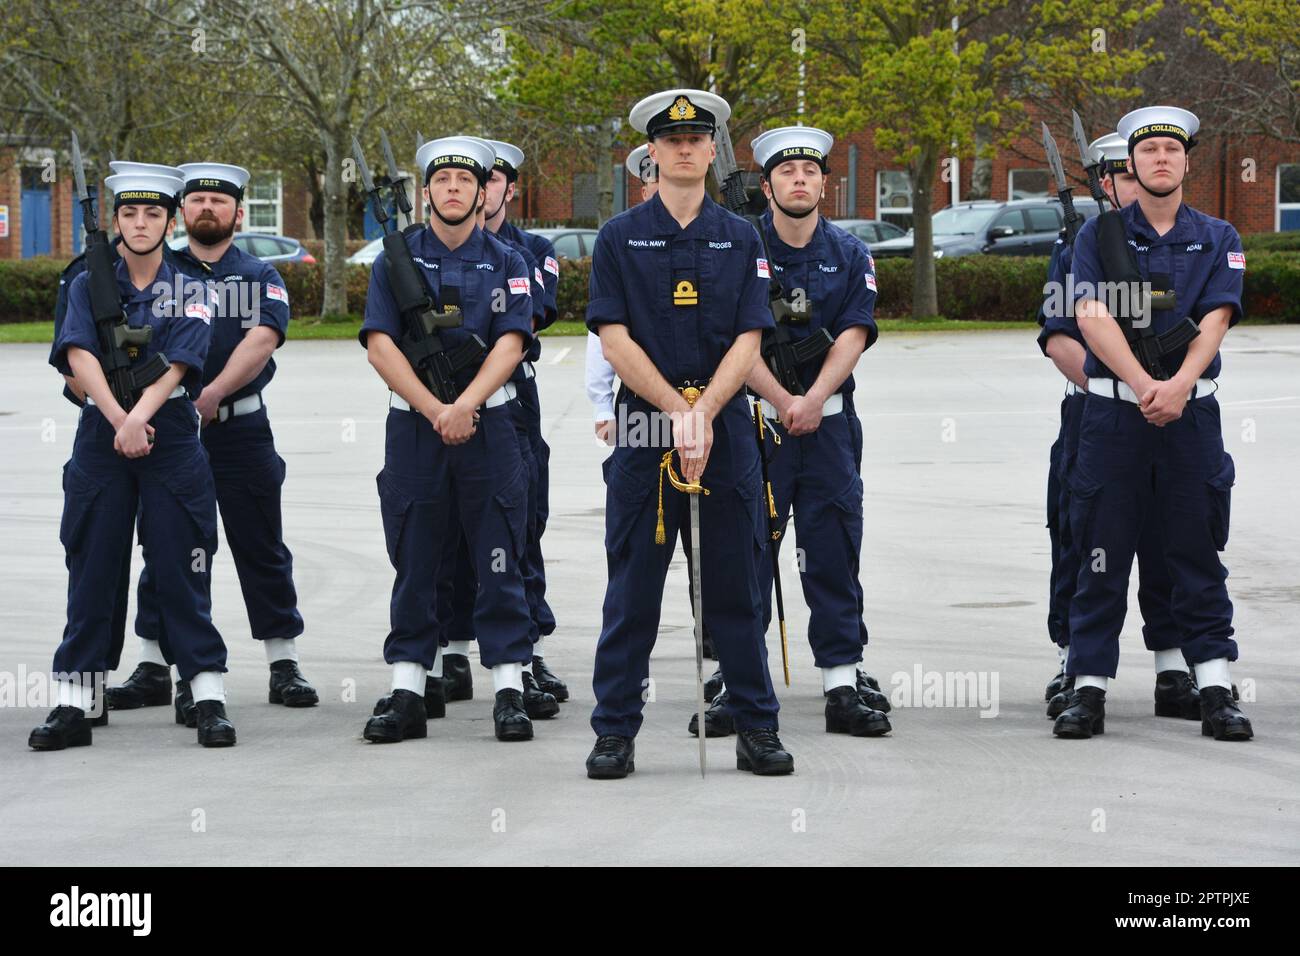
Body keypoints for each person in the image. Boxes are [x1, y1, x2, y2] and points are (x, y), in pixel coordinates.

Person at [584, 89, 793, 779]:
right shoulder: (618, 237)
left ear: (710, 151)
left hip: (726, 425)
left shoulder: (741, 236)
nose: (682, 148)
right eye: (669, 140)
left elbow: (751, 335)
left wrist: (703, 413)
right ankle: (615, 730)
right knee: (633, 590)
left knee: (736, 585)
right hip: (648, 427)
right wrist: (678, 408)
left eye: (695, 139)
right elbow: (614, 339)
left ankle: (757, 726)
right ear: (653, 153)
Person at [1055, 106, 1252, 741]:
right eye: (1149, 152)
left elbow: (1217, 317)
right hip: (1116, 415)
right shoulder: (1098, 237)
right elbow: (1088, 316)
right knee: (1101, 551)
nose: (1160, 159)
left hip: (1190, 416)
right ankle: (1088, 688)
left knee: (1194, 549)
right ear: (1132, 165)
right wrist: (1144, 387)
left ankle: (1216, 686)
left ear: (1186, 161)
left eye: (1171, 149)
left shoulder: (1219, 236)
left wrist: (1178, 385)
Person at [31, 164, 235, 749]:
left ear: (170, 221)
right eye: (129, 213)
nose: (140, 223)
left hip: (168, 429)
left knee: (182, 563)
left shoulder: (193, 286)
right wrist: (119, 421)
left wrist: (139, 418)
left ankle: (205, 692)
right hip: (102, 432)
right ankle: (78, 698)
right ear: (115, 219)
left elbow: (179, 363)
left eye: (152, 214)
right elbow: (77, 355)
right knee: (92, 564)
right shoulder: (84, 282)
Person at [111, 162, 317, 726]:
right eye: (197, 199)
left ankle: (284, 663)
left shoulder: (259, 275)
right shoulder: (157, 272)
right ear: (182, 213)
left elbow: (264, 338)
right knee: (168, 546)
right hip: (172, 431)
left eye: (218, 202)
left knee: (261, 545)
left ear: (237, 213)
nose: (207, 208)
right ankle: (154, 665)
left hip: (238, 428)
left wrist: (212, 393)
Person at [700, 125, 888, 740]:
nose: (799, 180)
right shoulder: (739, 248)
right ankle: (737, 679)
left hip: (828, 428)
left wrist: (811, 399)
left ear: (825, 184)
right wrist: (781, 399)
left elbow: (854, 334)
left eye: (809, 172)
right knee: (748, 552)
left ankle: (841, 681)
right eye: (786, 172)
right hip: (759, 425)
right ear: (767, 182)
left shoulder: (851, 253)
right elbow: (736, 340)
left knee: (833, 551)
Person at [360, 135, 540, 744]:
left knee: (499, 555)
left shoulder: (508, 260)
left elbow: (513, 342)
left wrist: (464, 404)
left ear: (483, 188)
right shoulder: (395, 259)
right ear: (427, 191)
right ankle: (409, 687)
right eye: (443, 181)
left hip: (488, 425)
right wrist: (434, 406)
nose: (455, 189)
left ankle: (509, 689)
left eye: (466, 180)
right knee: (415, 557)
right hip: (417, 427)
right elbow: (380, 344)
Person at [1039, 132, 1201, 722]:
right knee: (1085, 541)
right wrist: (1123, 390)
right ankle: (1073, 660)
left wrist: (1159, 393)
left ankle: (1174, 665)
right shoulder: (1078, 247)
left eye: (1134, 176)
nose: (1128, 186)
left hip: (1165, 410)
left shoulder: (1179, 239)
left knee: (1169, 536)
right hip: (1097, 409)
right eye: (1120, 176)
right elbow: (1060, 339)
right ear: (1104, 181)